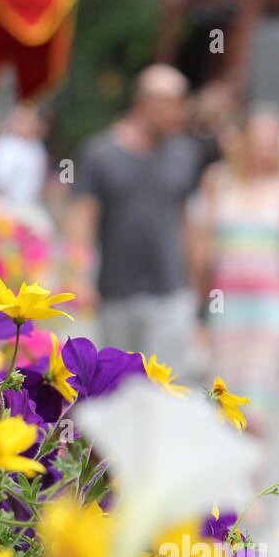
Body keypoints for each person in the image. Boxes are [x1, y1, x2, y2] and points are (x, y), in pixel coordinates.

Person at [190, 105, 279, 435]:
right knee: (222, 399)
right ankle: (227, 479)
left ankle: (251, 480)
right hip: (224, 304)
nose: (266, 149)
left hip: (270, 307)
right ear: (243, 141)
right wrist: (198, 308)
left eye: (273, 142)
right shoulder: (218, 181)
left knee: (257, 403)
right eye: (260, 140)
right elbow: (203, 249)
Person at [66, 65, 199, 369]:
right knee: (117, 386)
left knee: (165, 387)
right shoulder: (101, 153)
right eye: (175, 103)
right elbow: (82, 217)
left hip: (170, 291)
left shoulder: (183, 153)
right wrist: (78, 275)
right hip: (116, 292)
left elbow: (187, 221)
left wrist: (197, 283)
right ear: (145, 103)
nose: (181, 112)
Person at [0, 104, 49, 212]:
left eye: (29, 121)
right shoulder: (5, 144)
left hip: (30, 205)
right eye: (22, 121)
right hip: (4, 205)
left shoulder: (37, 147)